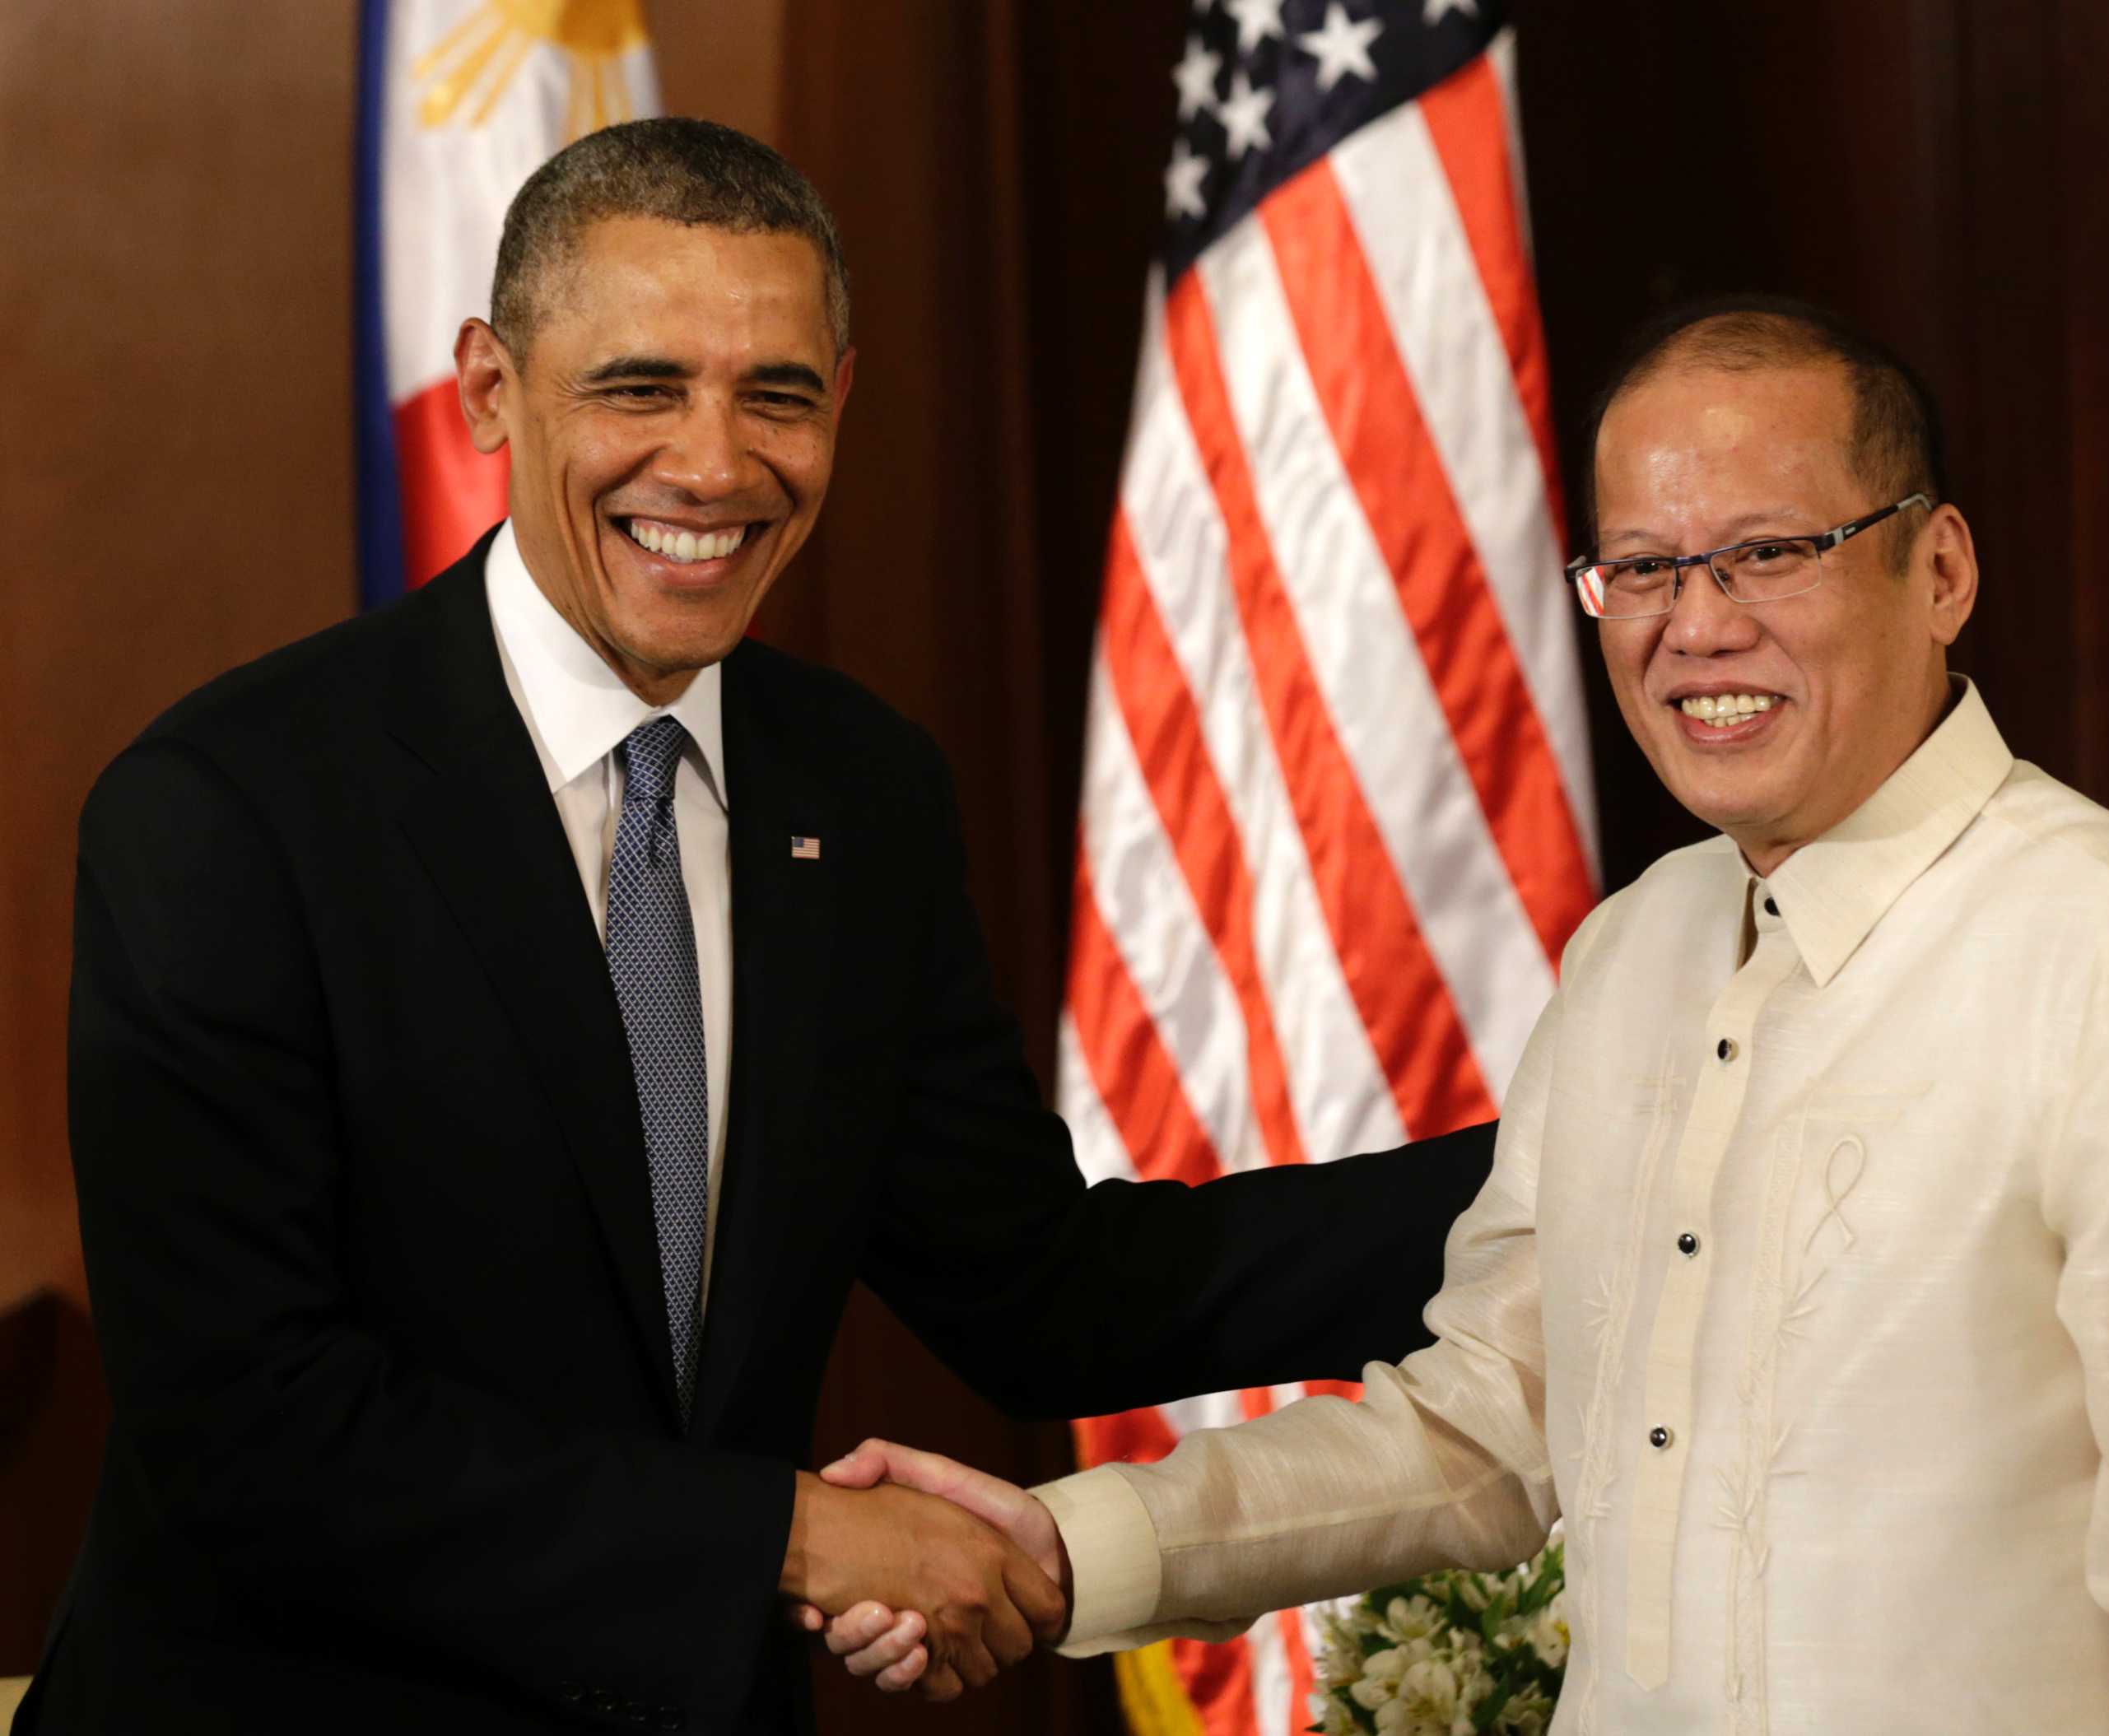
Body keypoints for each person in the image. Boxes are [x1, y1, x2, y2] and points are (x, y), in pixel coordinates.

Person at [22, 119, 1497, 1736]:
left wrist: (1563, 1178)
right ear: (490, 390)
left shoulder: (858, 789)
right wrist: (790, 1535)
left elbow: (1045, 1288)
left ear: (842, 402)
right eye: (640, 386)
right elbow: (248, 1423)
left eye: (776, 393)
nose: (716, 464)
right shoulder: (228, 807)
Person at [824, 297, 2109, 1733]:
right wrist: (1066, 1543)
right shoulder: (1634, 950)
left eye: (1766, 553)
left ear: (1939, 569)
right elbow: (1485, 1426)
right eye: (1645, 568)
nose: (1696, 626)